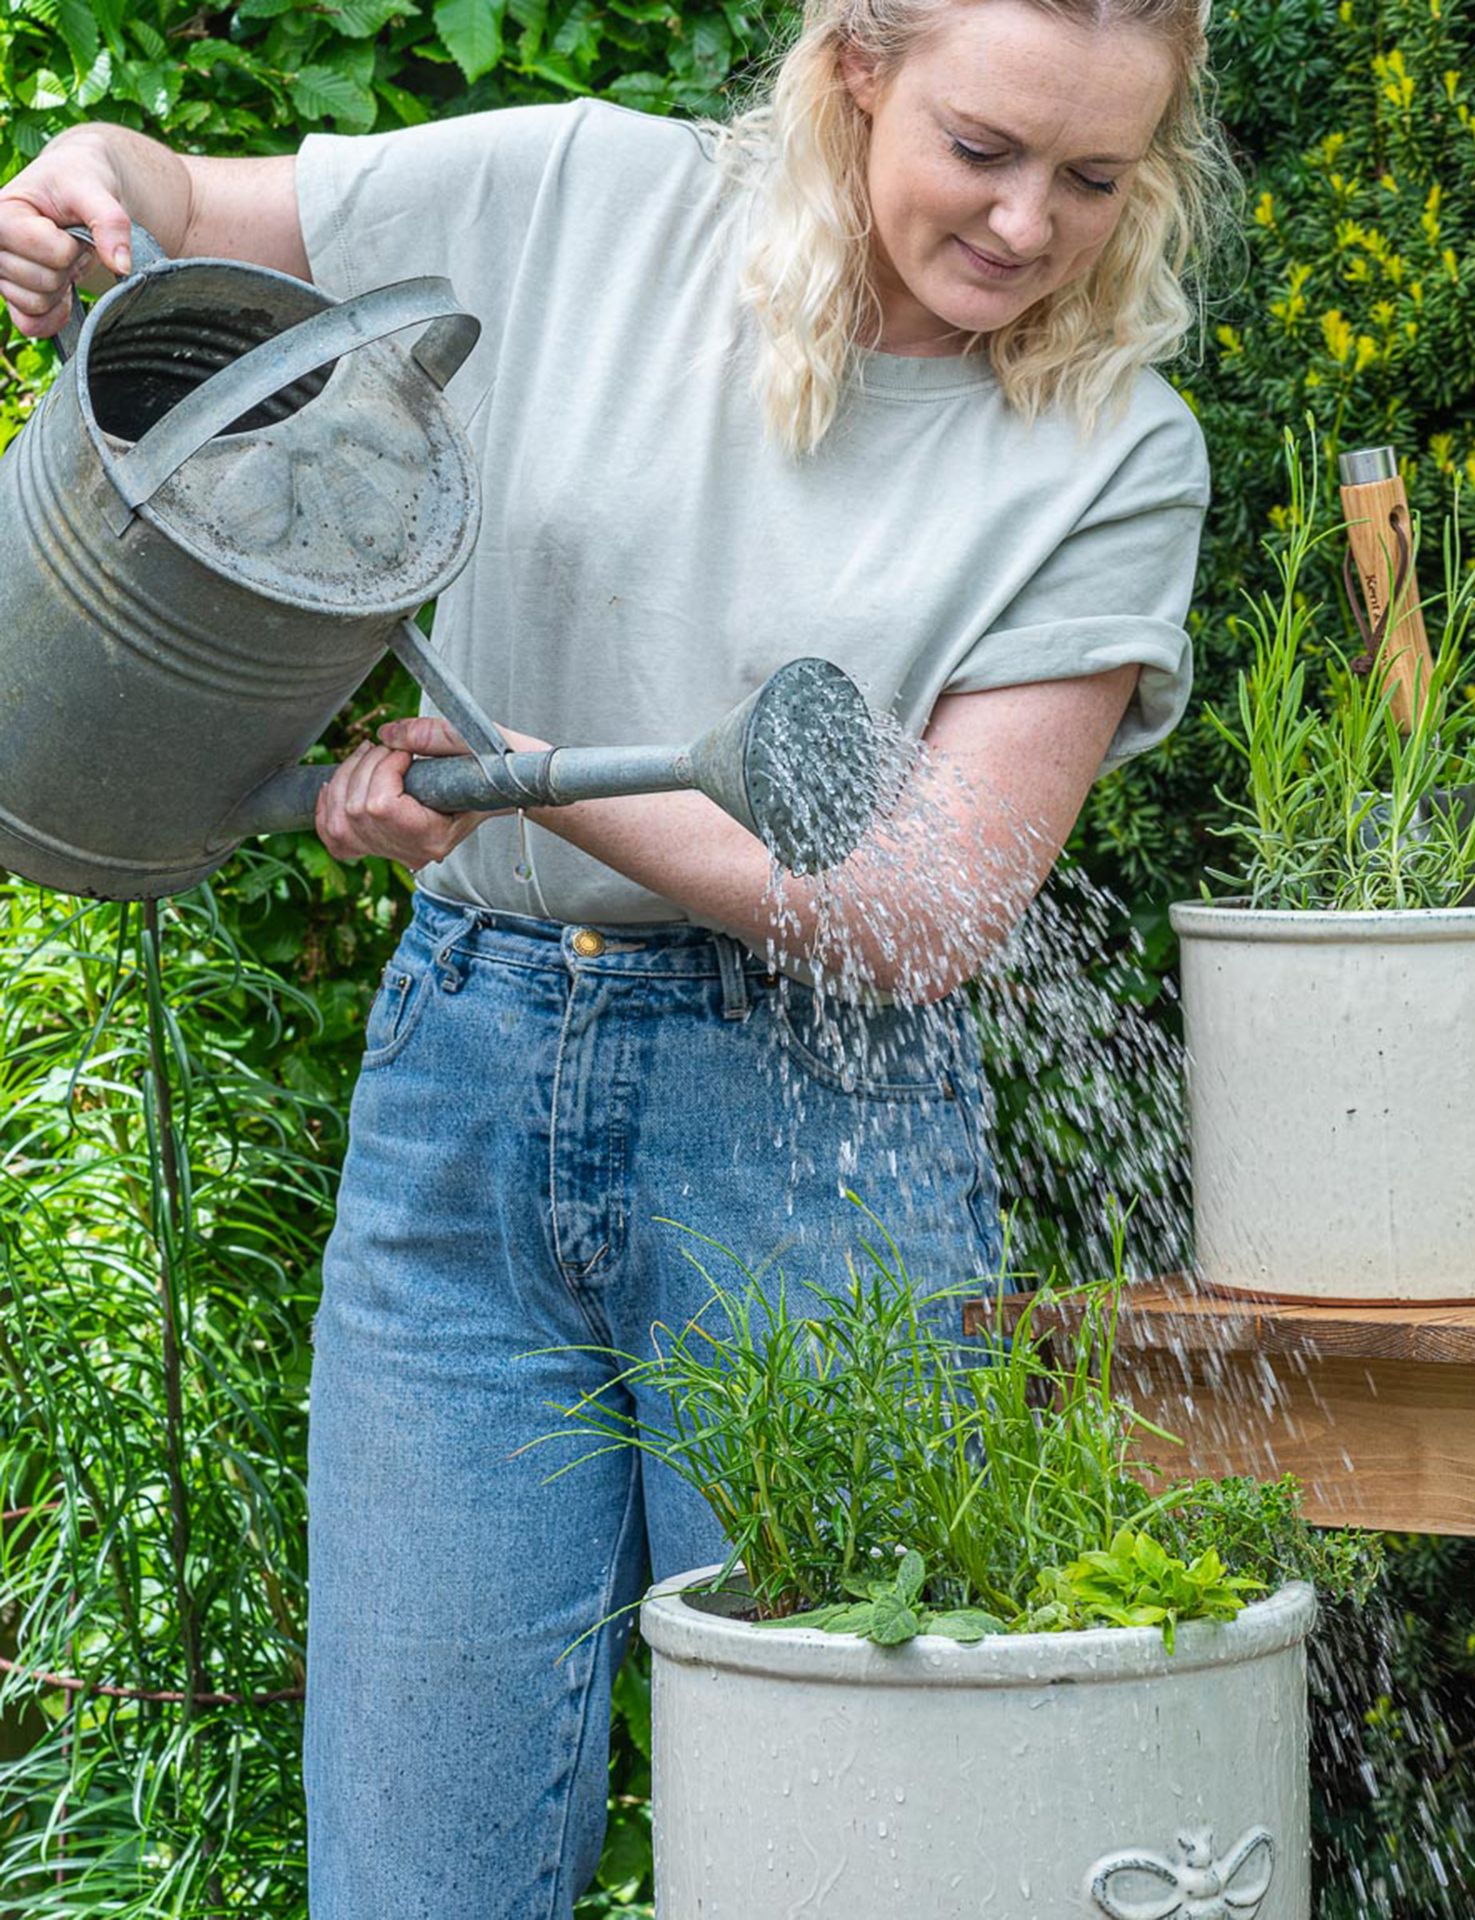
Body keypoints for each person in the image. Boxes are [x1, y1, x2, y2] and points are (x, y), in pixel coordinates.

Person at [0, 0, 1228, 1910]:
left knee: (854, 1857)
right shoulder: (575, 196)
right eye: (981, 150)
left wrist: (523, 779)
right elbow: (181, 204)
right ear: (857, 71)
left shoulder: (1111, 450)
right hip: (463, 1104)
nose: (1026, 224)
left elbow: (924, 912)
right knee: (416, 1868)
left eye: (1094, 176)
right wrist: (95, 191)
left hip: (819, 1146)